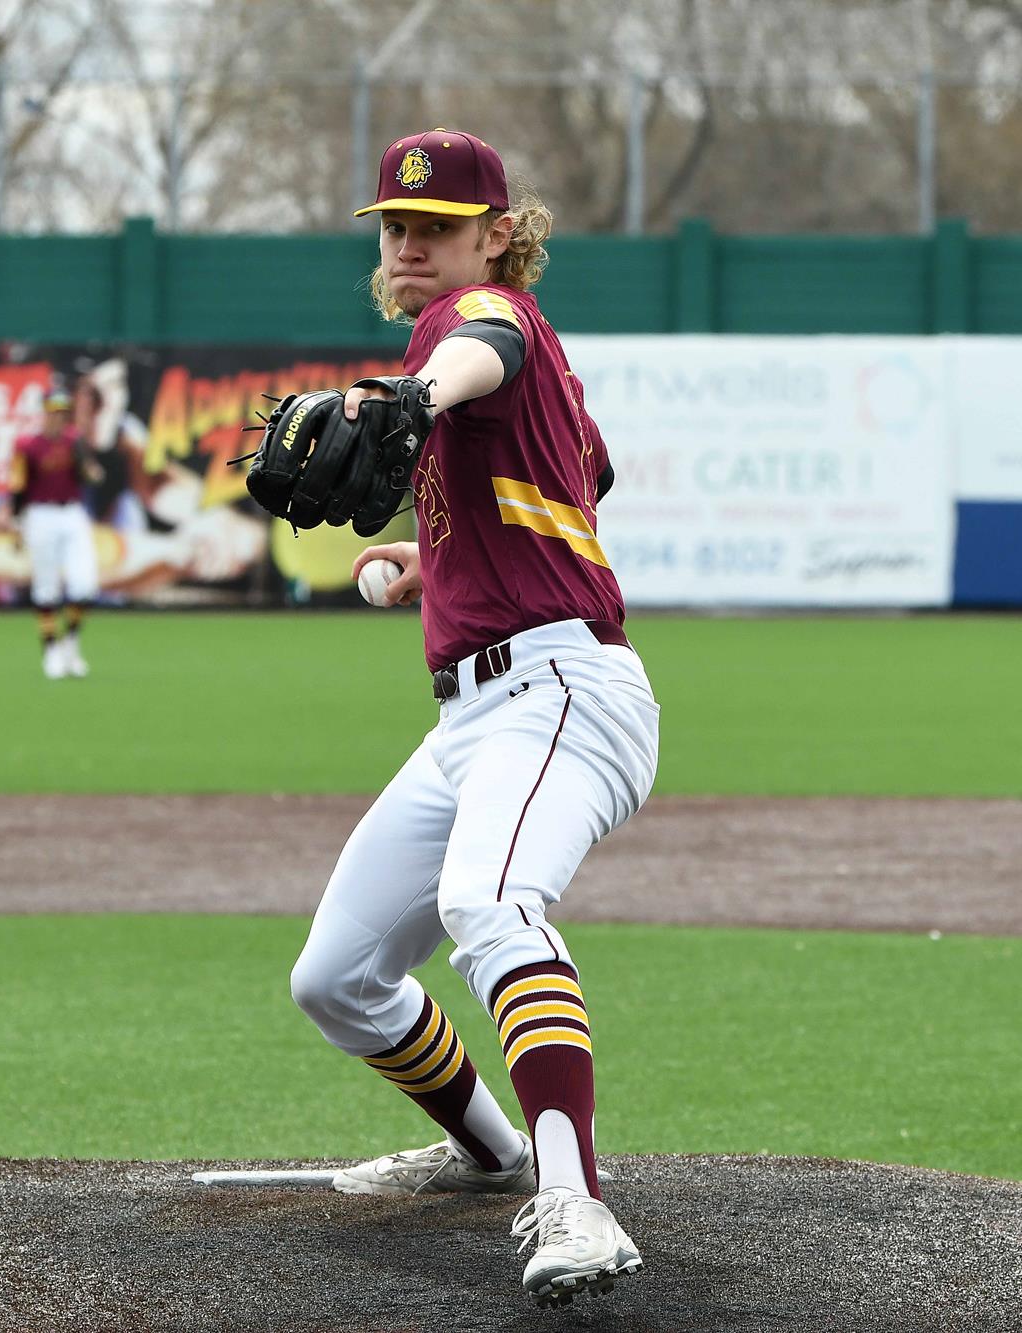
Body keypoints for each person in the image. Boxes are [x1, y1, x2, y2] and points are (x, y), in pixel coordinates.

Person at [287, 128, 658, 1308]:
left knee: (489, 904)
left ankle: (576, 1201)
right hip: (476, 713)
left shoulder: (480, 320)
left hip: (558, 693)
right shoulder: (505, 356)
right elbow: (585, 473)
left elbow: (482, 343)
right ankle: (491, 1154)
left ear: (497, 236)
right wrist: (438, 557)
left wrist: (418, 391)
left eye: (436, 227)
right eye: (395, 226)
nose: (408, 244)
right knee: (337, 978)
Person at [7, 388, 101, 678]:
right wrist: (16, 523)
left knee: (84, 584)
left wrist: (88, 466)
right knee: (46, 586)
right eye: (52, 412)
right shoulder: (27, 445)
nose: (57, 418)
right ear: (44, 413)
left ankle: (70, 643)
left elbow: (91, 475)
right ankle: (50, 650)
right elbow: (18, 486)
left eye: (61, 413)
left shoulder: (74, 441)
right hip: (40, 514)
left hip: (71, 512)